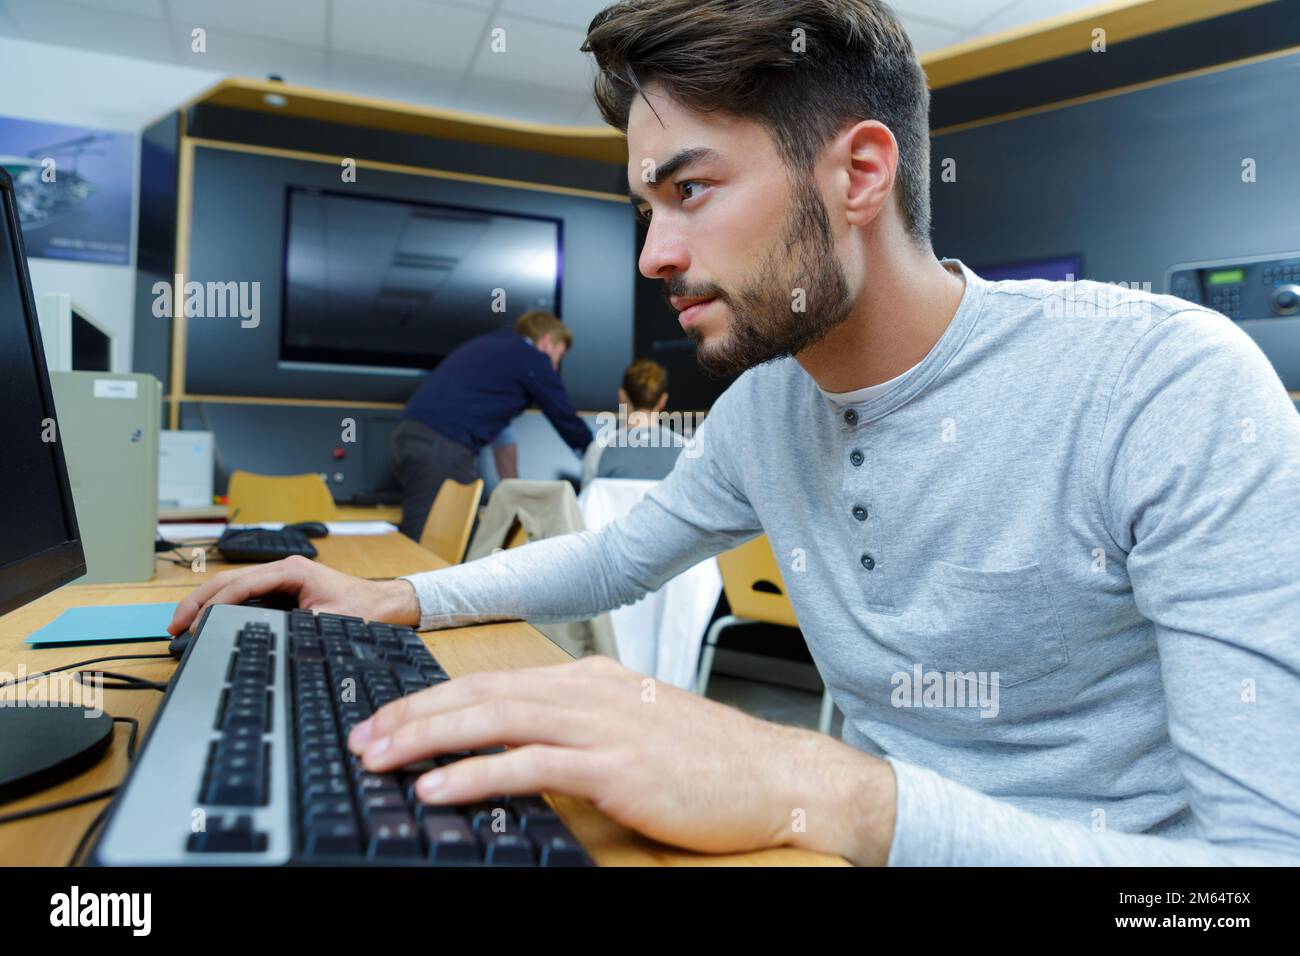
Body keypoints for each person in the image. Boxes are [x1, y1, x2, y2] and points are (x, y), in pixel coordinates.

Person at [171, 0, 1300, 866]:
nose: (655, 254)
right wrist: (397, 598)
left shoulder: (1162, 382)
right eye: (645, 209)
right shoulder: (767, 401)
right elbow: (617, 555)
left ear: (859, 171)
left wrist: (839, 787)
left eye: (691, 191)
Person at [389, 310, 592, 539]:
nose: (554, 367)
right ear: (546, 341)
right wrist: (593, 454)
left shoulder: (497, 348)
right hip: (440, 448)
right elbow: (563, 416)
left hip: (408, 438)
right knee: (430, 539)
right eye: (558, 357)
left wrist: (513, 489)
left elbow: (503, 437)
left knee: (464, 534)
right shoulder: (531, 357)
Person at [580, 358, 685, 487]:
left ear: (622, 396)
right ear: (663, 399)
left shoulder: (599, 450)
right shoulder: (685, 452)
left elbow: (588, 502)